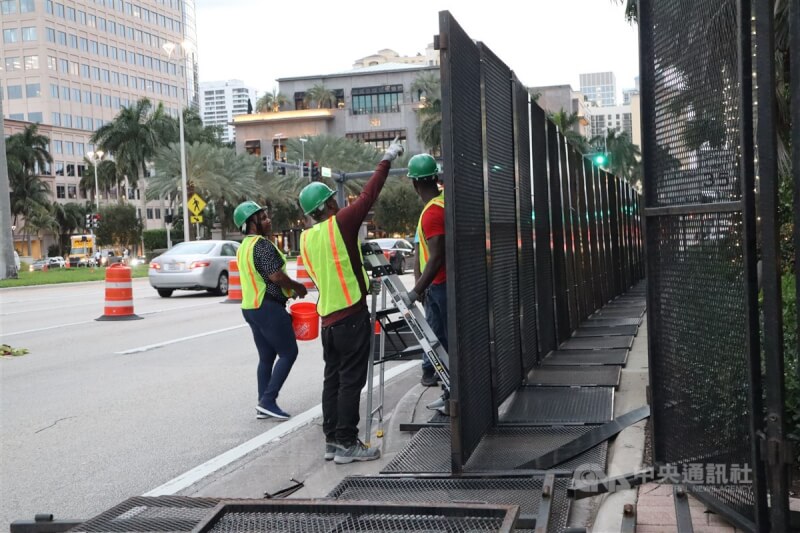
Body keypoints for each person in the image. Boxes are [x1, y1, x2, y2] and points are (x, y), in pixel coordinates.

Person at [298, 139, 404, 464]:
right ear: (328, 206)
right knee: (350, 383)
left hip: (328, 322)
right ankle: (347, 443)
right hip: (351, 317)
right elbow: (370, 193)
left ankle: (332, 441)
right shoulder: (341, 223)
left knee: (333, 381)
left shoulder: (307, 238)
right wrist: (387, 157)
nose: (337, 203)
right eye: (333, 200)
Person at [234, 201, 308, 420]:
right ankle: (268, 400)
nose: (268, 220)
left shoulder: (243, 247)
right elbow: (275, 276)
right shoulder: (261, 245)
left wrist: (287, 292)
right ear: (252, 223)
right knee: (289, 352)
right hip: (267, 308)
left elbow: (262, 278)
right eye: (263, 217)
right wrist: (297, 286)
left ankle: (262, 404)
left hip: (251, 308)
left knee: (266, 357)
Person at [406, 154, 447, 388]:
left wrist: (415, 290)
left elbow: (437, 256)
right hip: (434, 285)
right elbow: (422, 251)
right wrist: (419, 281)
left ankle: (447, 388)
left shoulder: (432, 213)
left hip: (440, 285)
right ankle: (434, 376)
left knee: (441, 338)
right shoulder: (438, 206)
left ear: (415, 184)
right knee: (436, 334)